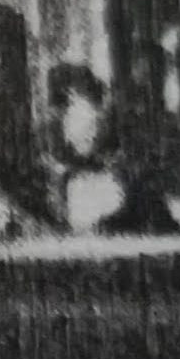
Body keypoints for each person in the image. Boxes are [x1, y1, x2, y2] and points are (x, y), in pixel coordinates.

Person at [42, 65, 127, 233]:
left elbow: (106, 146)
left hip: (96, 173)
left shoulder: (97, 115)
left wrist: (102, 157)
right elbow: (62, 152)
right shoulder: (61, 117)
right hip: (80, 174)